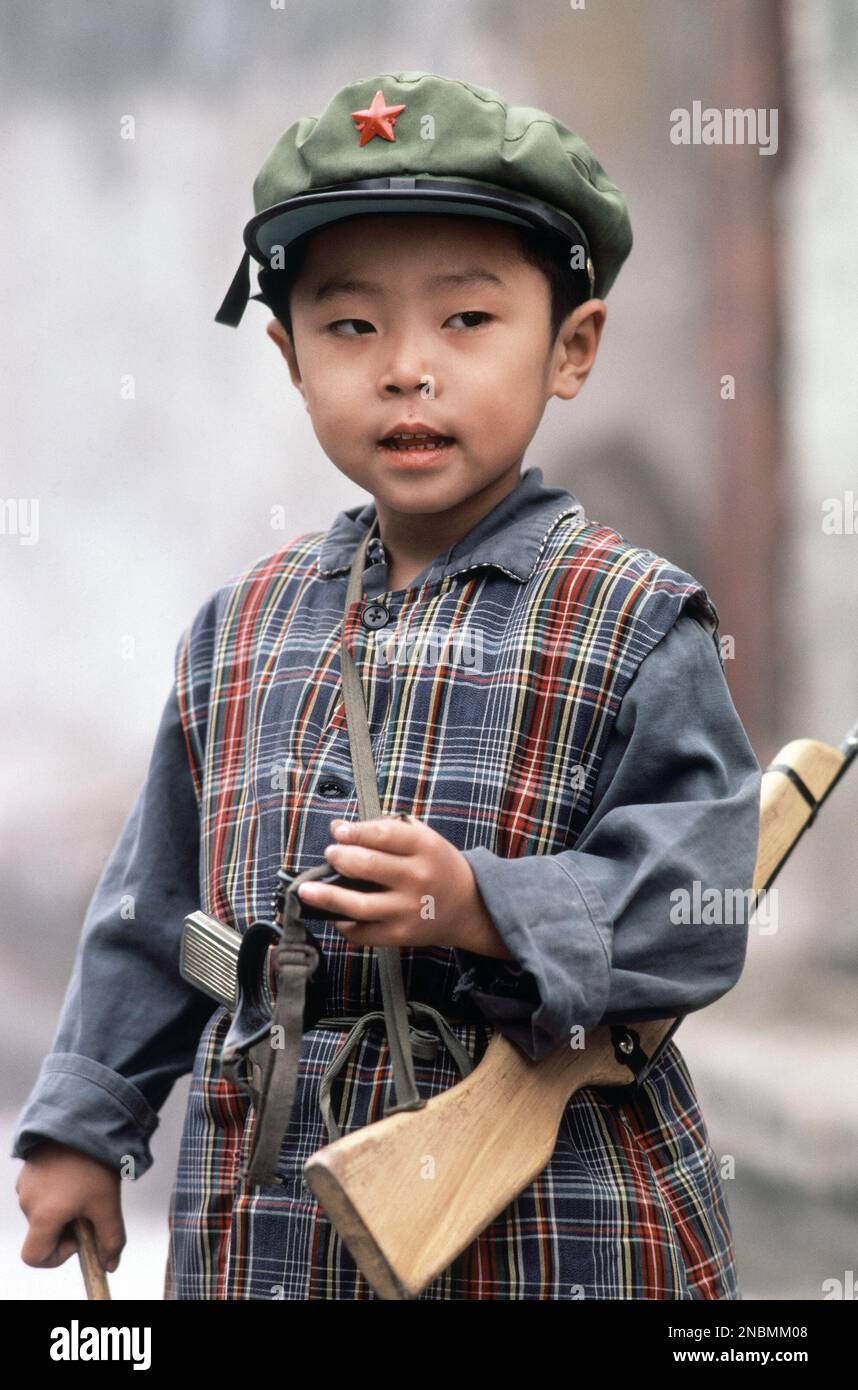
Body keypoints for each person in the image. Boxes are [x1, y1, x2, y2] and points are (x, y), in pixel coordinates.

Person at [13, 70, 761, 1300]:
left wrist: (486, 907)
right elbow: (158, 916)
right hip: (273, 1218)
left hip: (549, 1210)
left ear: (572, 347)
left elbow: (705, 897)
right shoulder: (240, 630)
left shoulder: (633, 616)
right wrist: (84, 1121)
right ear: (290, 356)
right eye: (352, 326)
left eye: (467, 321)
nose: (408, 369)